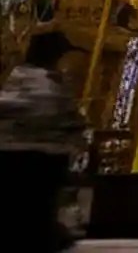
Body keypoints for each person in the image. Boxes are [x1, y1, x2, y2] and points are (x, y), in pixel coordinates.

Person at [0, 34, 86, 252]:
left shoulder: (15, 79)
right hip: (41, 159)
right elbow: (67, 121)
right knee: (37, 213)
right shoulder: (49, 84)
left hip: (10, 156)